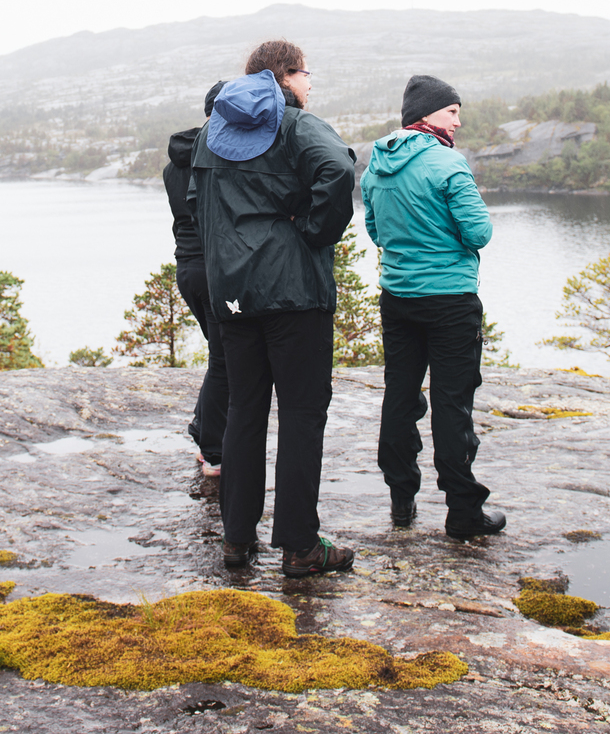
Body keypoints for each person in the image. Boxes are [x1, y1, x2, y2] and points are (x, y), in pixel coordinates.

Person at [189, 40, 359, 577]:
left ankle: (237, 541)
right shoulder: (296, 125)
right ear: (286, 75)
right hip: (293, 293)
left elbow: (198, 207)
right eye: (307, 74)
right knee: (303, 415)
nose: (310, 85)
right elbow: (338, 173)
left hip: (233, 294)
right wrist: (310, 232)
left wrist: (228, 261)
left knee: (244, 409)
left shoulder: (213, 134)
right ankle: (300, 546)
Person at [362, 74, 501, 539]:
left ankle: (401, 501)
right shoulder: (448, 164)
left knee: (400, 396)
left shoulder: (376, 166)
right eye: (452, 111)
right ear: (425, 115)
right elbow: (479, 233)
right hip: (450, 302)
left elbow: (378, 232)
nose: (458, 121)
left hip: (397, 298)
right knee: (451, 403)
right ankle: (463, 511)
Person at [164, 80, 228, 477]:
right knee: (225, 362)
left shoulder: (176, 162)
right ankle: (212, 450)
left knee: (220, 357)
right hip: (213, 270)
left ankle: (204, 430)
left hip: (186, 268)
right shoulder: (217, 158)